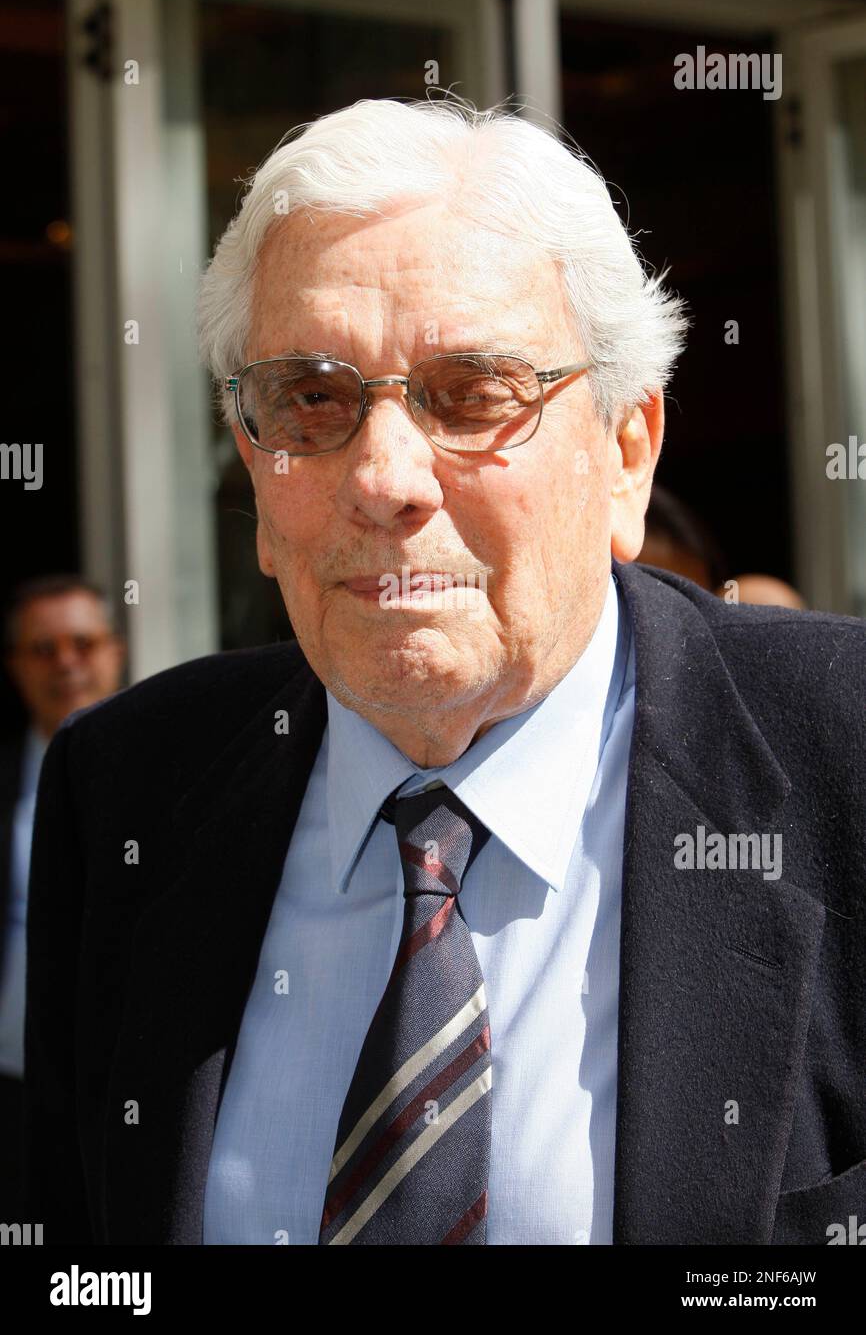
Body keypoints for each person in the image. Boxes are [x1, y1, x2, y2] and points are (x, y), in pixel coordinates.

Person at [24, 97, 866, 1246]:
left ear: (626, 453)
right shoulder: (125, 787)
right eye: (311, 400)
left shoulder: (844, 752)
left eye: (470, 393)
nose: (384, 477)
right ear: (256, 478)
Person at [0, 576, 125, 1218]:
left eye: (83, 642)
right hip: (13, 1091)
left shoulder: (172, 775)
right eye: (43, 649)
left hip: (131, 1090)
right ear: (16, 667)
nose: (67, 663)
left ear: (116, 651)